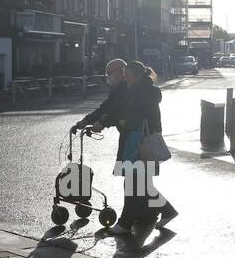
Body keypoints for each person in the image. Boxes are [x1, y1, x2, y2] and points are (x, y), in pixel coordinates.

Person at [111, 60, 177, 234]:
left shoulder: (144, 92)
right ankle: (166, 211)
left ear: (137, 76)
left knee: (134, 184)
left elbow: (140, 116)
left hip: (140, 144)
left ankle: (125, 223)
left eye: (127, 76)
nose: (125, 79)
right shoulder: (138, 90)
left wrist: (124, 121)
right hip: (137, 142)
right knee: (138, 184)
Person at [72, 59, 127, 134]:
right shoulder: (116, 89)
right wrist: (86, 120)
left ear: (120, 72)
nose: (108, 76)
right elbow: (105, 108)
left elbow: (118, 111)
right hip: (126, 132)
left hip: (137, 134)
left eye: (109, 73)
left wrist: (102, 123)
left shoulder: (128, 89)